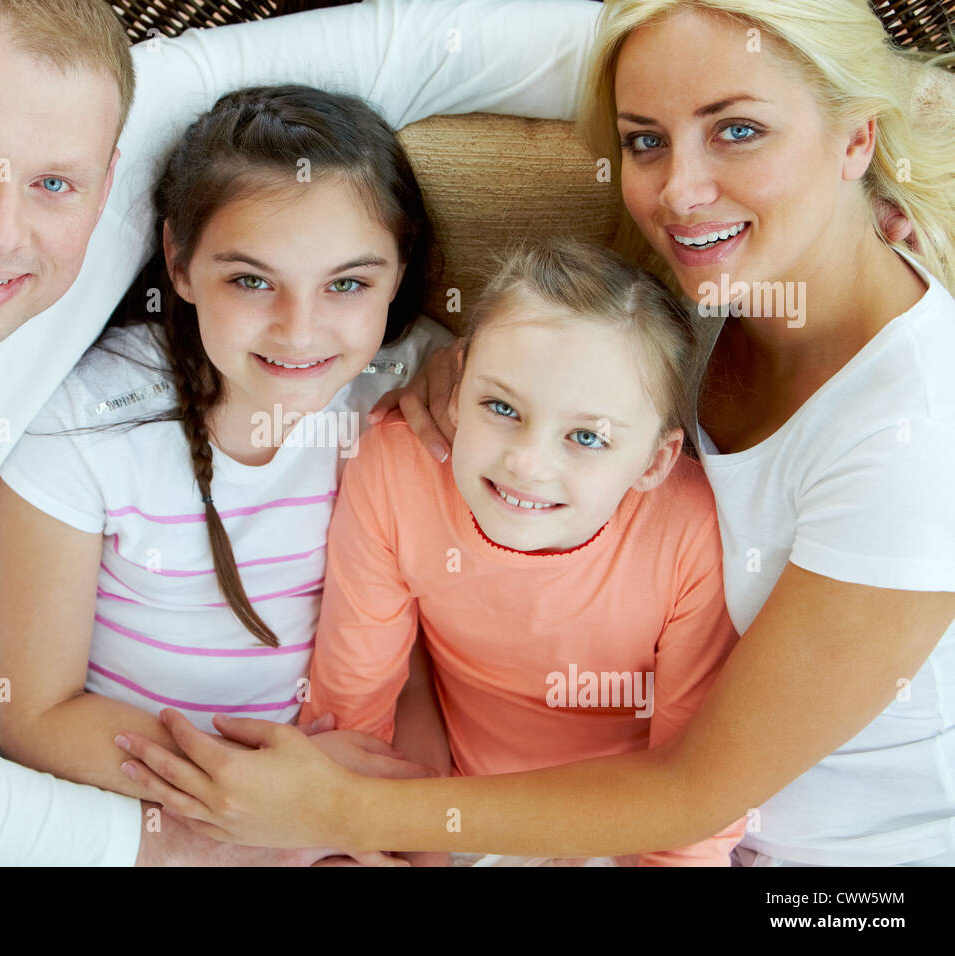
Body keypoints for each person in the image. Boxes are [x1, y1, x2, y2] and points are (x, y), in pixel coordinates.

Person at [0, 0, 603, 866]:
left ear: (113, 180)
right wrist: (218, 839)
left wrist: (698, 67)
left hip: (76, 782)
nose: (0, 230)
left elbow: (426, 44)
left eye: (56, 184)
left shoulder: (119, 135)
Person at [115, 0, 955, 867]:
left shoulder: (919, 437)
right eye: (643, 141)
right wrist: (465, 379)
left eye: (738, 131)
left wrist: (341, 813)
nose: (678, 190)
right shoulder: (724, 292)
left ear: (858, 140)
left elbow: (691, 795)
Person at [0, 85, 451, 863]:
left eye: (348, 284)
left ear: (399, 274)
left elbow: (417, 666)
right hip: (134, 805)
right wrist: (259, 793)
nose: (299, 330)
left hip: (328, 800)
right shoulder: (86, 420)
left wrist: (399, 816)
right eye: (250, 280)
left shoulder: (408, 392)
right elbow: (37, 714)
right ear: (179, 260)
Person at [296, 237, 746, 866]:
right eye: (501, 406)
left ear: (656, 459)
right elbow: (353, 710)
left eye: (586, 436)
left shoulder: (693, 534)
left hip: (622, 829)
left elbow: (691, 806)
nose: (528, 464)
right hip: (444, 807)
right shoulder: (396, 469)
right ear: (455, 389)